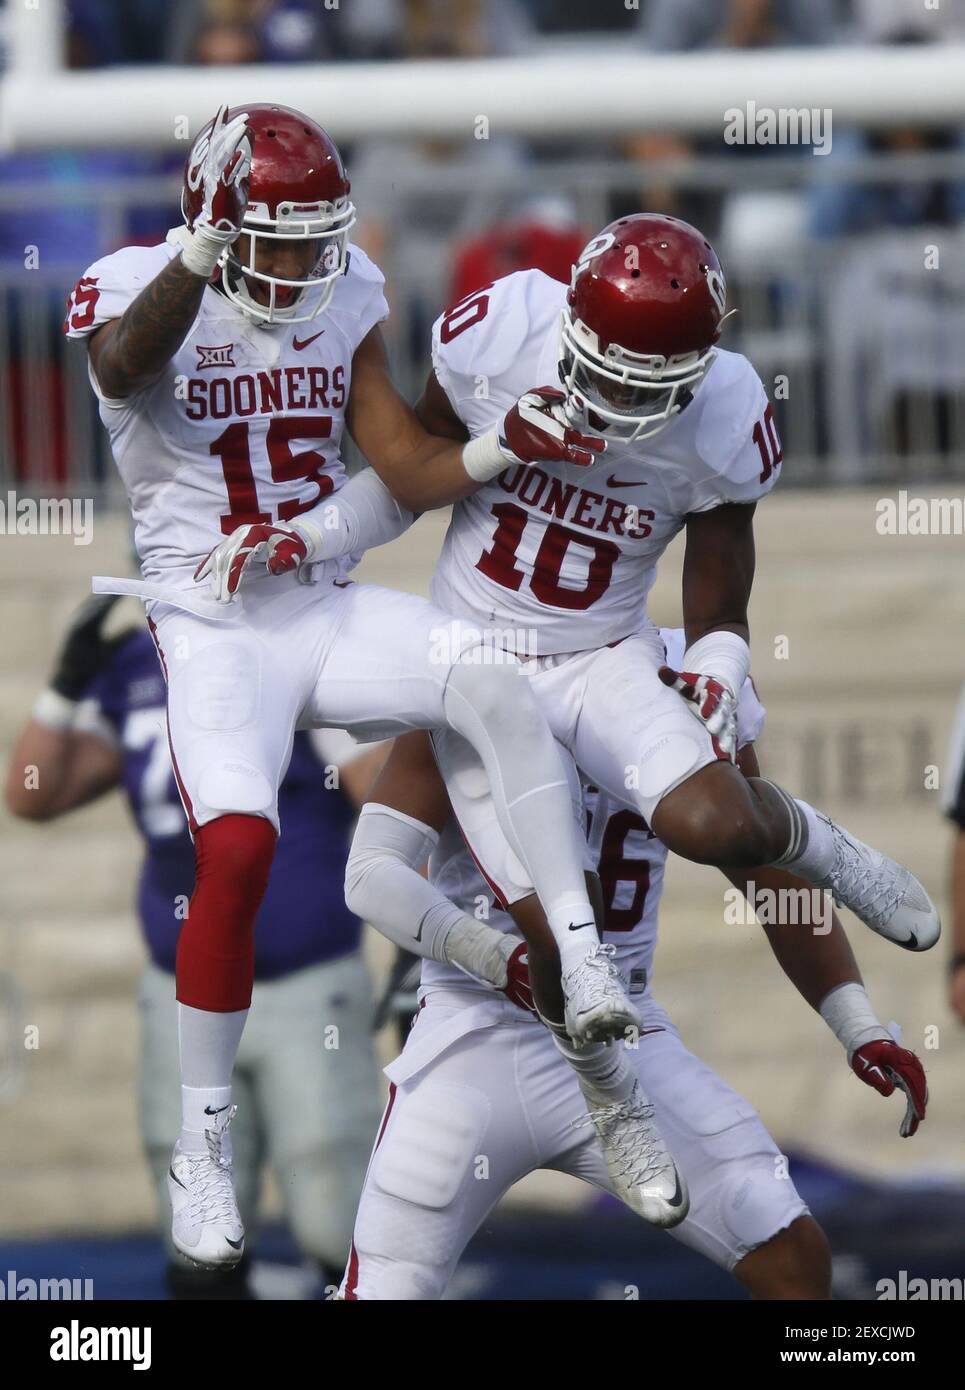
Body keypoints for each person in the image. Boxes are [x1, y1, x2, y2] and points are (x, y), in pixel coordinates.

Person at [216, 212, 940, 1227]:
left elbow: (720, 597)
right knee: (556, 945)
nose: (624, 409)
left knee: (713, 822)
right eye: (608, 376)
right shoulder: (500, 333)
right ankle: (614, 1103)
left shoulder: (725, 408)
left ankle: (831, 843)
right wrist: (327, 523)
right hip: (471, 660)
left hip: (603, 651)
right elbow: (413, 473)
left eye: (656, 387)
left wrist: (723, 665)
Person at [64, 101, 629, 1269]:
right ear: (216, 223)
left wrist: (502, 442)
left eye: (323, 235)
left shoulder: (343, 292)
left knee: (491, 681)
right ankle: (205, 1143)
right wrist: (203, 259)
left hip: (315, 594)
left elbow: (408, 470)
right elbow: (123, 363)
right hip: (211, 619)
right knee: (236, 850)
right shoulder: (133, 284)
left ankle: (575, 951)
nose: (311, 262)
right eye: (283, 238)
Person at [336, 629, 929, 1301]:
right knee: (387, 1288)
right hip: (477, 1029)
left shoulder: (680, 678)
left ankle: (824, 838)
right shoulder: (472, 675)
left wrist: (855, 1022)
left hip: (622, 1025)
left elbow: (763, 874)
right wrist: (501, 960)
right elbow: (373, 872)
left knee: (788, 1254)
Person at [4, 594, 385, 1299]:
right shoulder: (131, 666)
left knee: (339, 1214)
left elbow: (385, 797)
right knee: (199, 1240)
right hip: (176, 991)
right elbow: (32, 794)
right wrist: (63, 689)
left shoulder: (287, 641)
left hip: (306, 984)